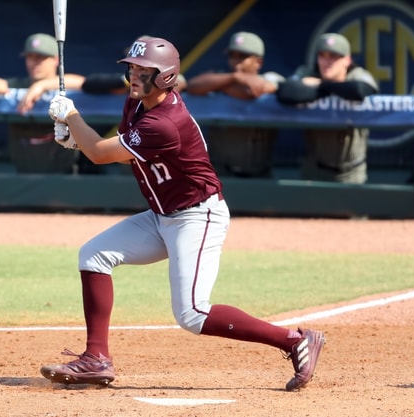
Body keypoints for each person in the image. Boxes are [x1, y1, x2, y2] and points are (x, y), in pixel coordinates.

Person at [40, 37, 325, 391]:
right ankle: (96, 358)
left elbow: (100, 153)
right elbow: (121, 152)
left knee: (192, 313)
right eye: (132, 68)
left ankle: (295, 341)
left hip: (197, 217)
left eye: (143, 71)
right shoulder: (138, 103)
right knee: (94, 255)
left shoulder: (166, 122)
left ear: (166, 76)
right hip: (162, 215)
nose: (133, 76)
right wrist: (75, 140)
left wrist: (72, 117)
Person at [0, 33, 85, 174]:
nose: (34, 63)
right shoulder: (18, 86)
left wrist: (42, 86)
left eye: (41, 57)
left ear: (56, 60)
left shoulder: (66, 85)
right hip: (23, 173)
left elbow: (84, 82)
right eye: (30, 57)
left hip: (64, 175)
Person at [277, 33, 378, 184]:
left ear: (347, 60)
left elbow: (360, 90)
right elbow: (286, 91)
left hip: (351, 172)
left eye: (333, 56)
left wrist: (322, 85)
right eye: (322, 56)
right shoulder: (308, 73)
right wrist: (328, 89)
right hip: (315, 170)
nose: (327, 62)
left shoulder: (357, 74)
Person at [186, 31, 283, 177]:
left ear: (259, 62)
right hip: (221, 173)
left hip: (258, 174)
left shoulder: (271, 77)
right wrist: (234, 77)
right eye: (232, 56)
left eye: (242, 56)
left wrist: (222, 86)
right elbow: (193, 86)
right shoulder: (223, 78)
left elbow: (255, 90)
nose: (236, 61)